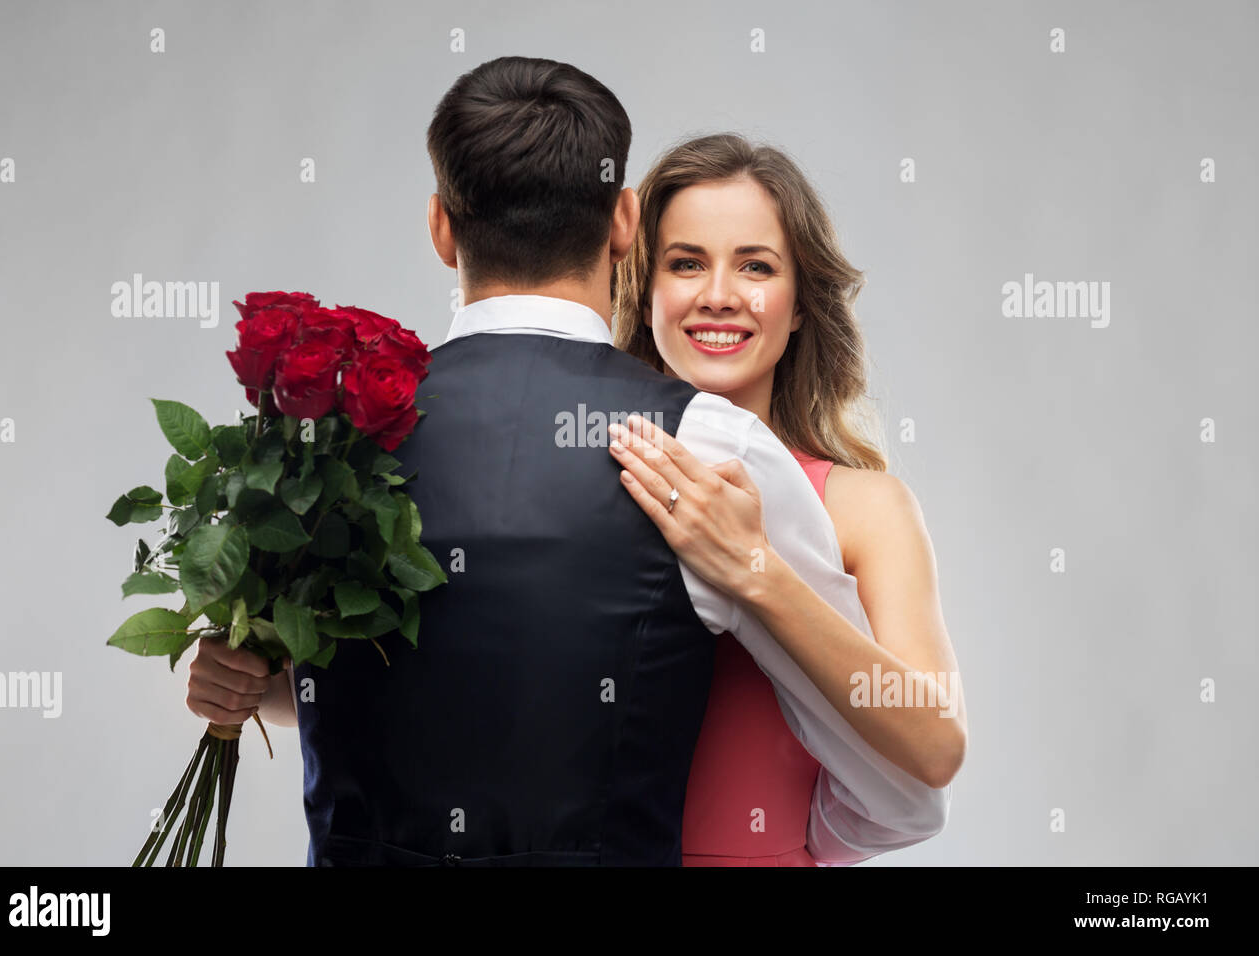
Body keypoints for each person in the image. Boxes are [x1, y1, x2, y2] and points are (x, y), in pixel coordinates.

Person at [185, 56, 951, 866]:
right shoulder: (712, 449)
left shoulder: (329, 441)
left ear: (441, 227)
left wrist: (245, 684)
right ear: (626, 224)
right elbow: (902, 785)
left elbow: (366, 673)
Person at [608, 134, 967, 865]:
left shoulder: (866, 509)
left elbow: (935, 747)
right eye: (686, 263)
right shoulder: (595, 470)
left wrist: (755, 571)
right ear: (645, 293)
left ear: (800, 304)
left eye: (755, 266)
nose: (717, 294)